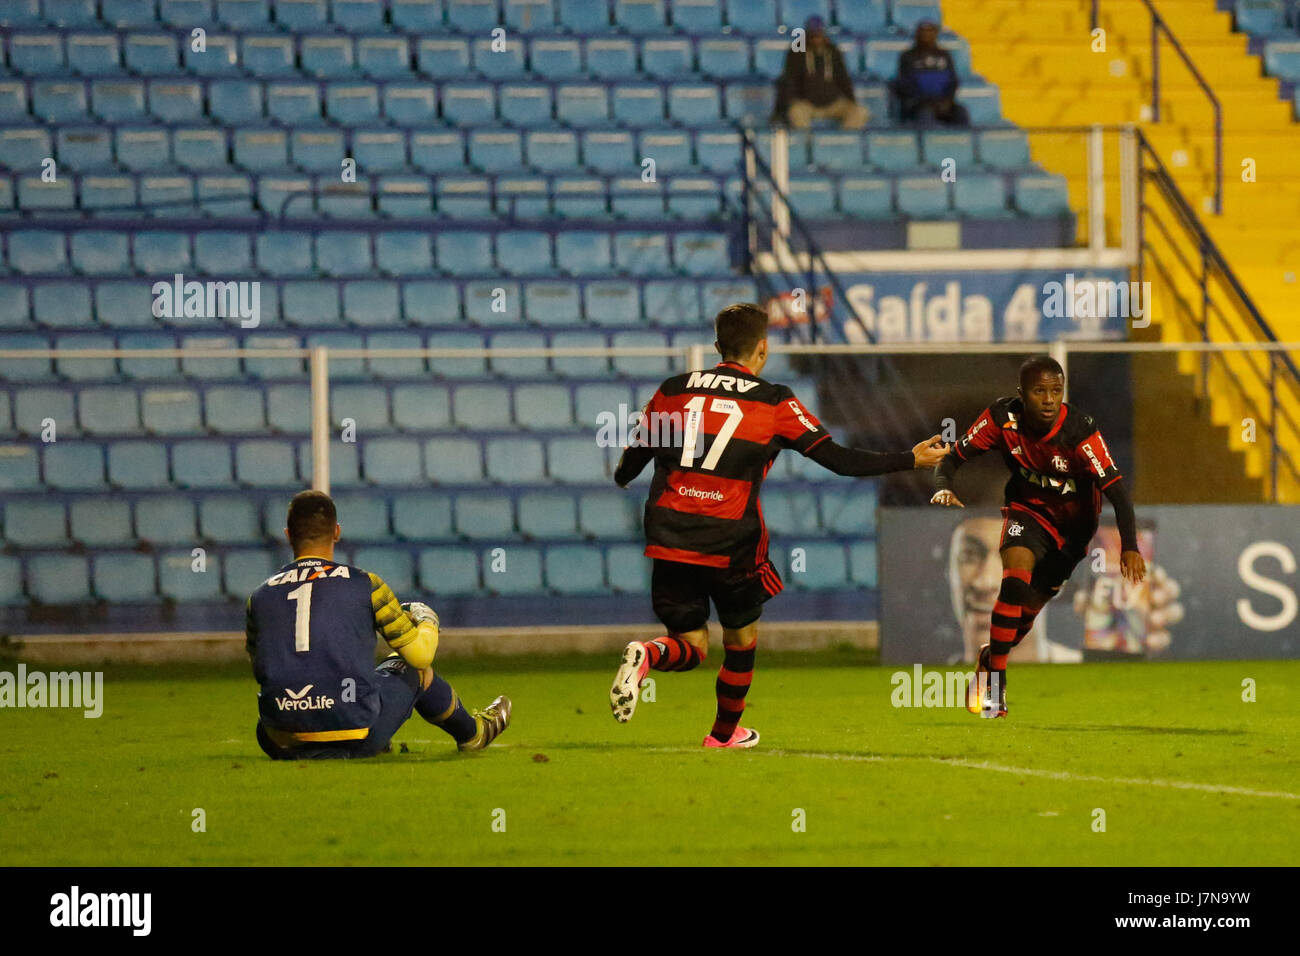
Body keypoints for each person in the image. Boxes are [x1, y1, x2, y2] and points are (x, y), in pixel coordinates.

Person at [609, 303, 950, 747]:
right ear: (763, 349)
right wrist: (910, 458)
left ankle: (649, 653)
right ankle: (722, 736)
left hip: (669, 535)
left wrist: (622, 475)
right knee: (741, 639)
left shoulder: (673, 390)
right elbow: (839, 459)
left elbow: (633, 457)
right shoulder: (774, 401)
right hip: (729, 539)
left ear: (717, 348)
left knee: (690, 644)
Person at [930, 355, 1146, 718]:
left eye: (1055, 391)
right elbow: (955, 457)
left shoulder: (1080, 432)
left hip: (1072, 533)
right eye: (1039, 391)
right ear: (1022, 394)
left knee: (1023, 617)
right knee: (1013, 583)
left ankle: (988, 658)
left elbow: (1118, 492)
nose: (1048, 399)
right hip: (1026, 513)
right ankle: (996, 688)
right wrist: (942, 486)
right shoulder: (1002, 419)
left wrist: (1130, 546)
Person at [246, 490, 511, 759]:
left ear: (288, 534)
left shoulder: (259, 596)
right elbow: (421, 655)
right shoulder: (366, 584)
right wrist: (427, 621)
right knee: (412, 668)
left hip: (282, 739)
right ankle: (473, 733)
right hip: (357, 736)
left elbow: (262, 667)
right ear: (336, 532)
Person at [774, 16, 868, 130]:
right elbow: (789, 80)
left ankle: (843, 143)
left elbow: (843, 78)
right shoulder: (796, 51)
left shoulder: (833, 51)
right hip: (806, 103)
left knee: (859, 112)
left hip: (833, 102)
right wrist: (781, 109)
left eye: (819, 33)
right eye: (813, 34)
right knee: (796, 112)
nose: (816, 37)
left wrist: (852, 101)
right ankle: (807, 145)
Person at [894, 20, 969, 126]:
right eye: (923, 32)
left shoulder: (944, 55)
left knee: (961, 112)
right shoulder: (907, 56)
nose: (926, 35)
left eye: (929, 32)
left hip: (944, 102)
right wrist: (926, 101)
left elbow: (953, 81)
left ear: (935, 34)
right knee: (926, 114)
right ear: (917, 34)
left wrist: (947, 100)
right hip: (918, 104)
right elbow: (904, 84)